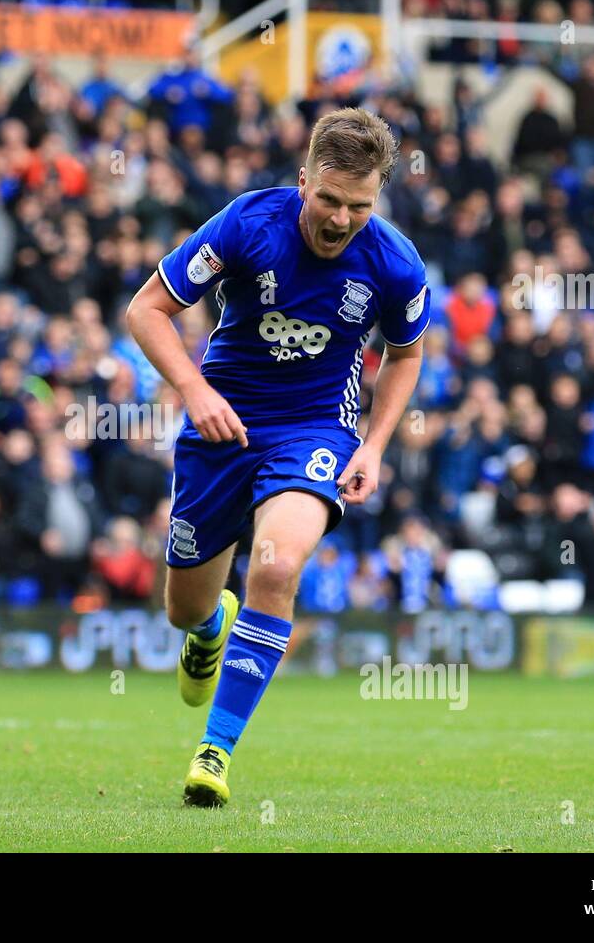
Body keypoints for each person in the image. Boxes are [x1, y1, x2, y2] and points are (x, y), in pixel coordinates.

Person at [126, 109, 428, 806]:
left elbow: (407, 355)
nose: (341, 218)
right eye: (328, 199)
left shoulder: (396, 263)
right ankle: (207, 630)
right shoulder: (245, 223)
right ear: (302, 182)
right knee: (183, 607)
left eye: (359, 205)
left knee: (276, 564)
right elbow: (147, 309)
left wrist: (374, 446)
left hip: (316, 429)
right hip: (221, 423)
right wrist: (193, 389)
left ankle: (215, 751)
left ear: (378, 196)